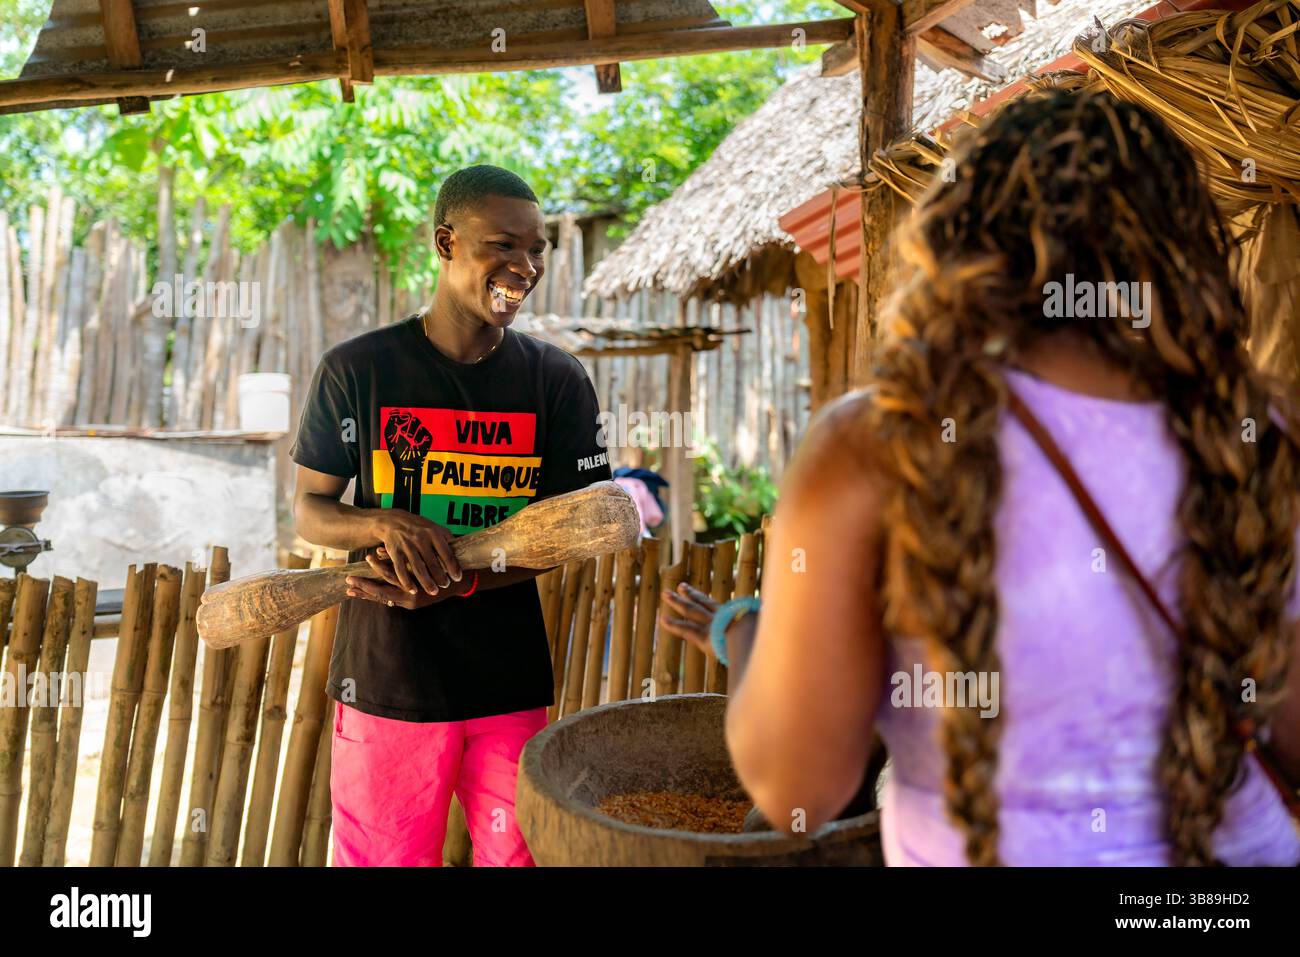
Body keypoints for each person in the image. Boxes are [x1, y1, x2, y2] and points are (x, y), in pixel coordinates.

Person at [670, 90, 1300, 866]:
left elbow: (796, 791)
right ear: (1180, 250)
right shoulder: (1262, 437)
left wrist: (750, 635)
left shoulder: (873, 446)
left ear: (955, 244)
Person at [290, 165, 611, 866]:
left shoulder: (554, 381)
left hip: (507, 680)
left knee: (517, 859)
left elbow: (576, 527)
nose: (524, 267)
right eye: (504, 245)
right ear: (446, 241)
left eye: (538, 249)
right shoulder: (358, 370)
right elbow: (310, 512)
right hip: (386, 680)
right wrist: (382, 524)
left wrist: (460, 577)